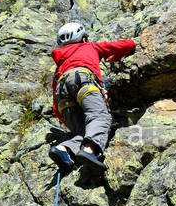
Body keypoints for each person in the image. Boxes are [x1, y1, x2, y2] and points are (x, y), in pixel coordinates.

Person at [49, 21, 136, 171]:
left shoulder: (61, 64)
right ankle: (90, 151)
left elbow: (56, 105)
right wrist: (115, 57)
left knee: (83, 131)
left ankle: (63, 149)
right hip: (82, 80)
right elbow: (127, 45)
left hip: (61, 93)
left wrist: (67, 121)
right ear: (83, 38)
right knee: (100, 117)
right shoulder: (90, 46)